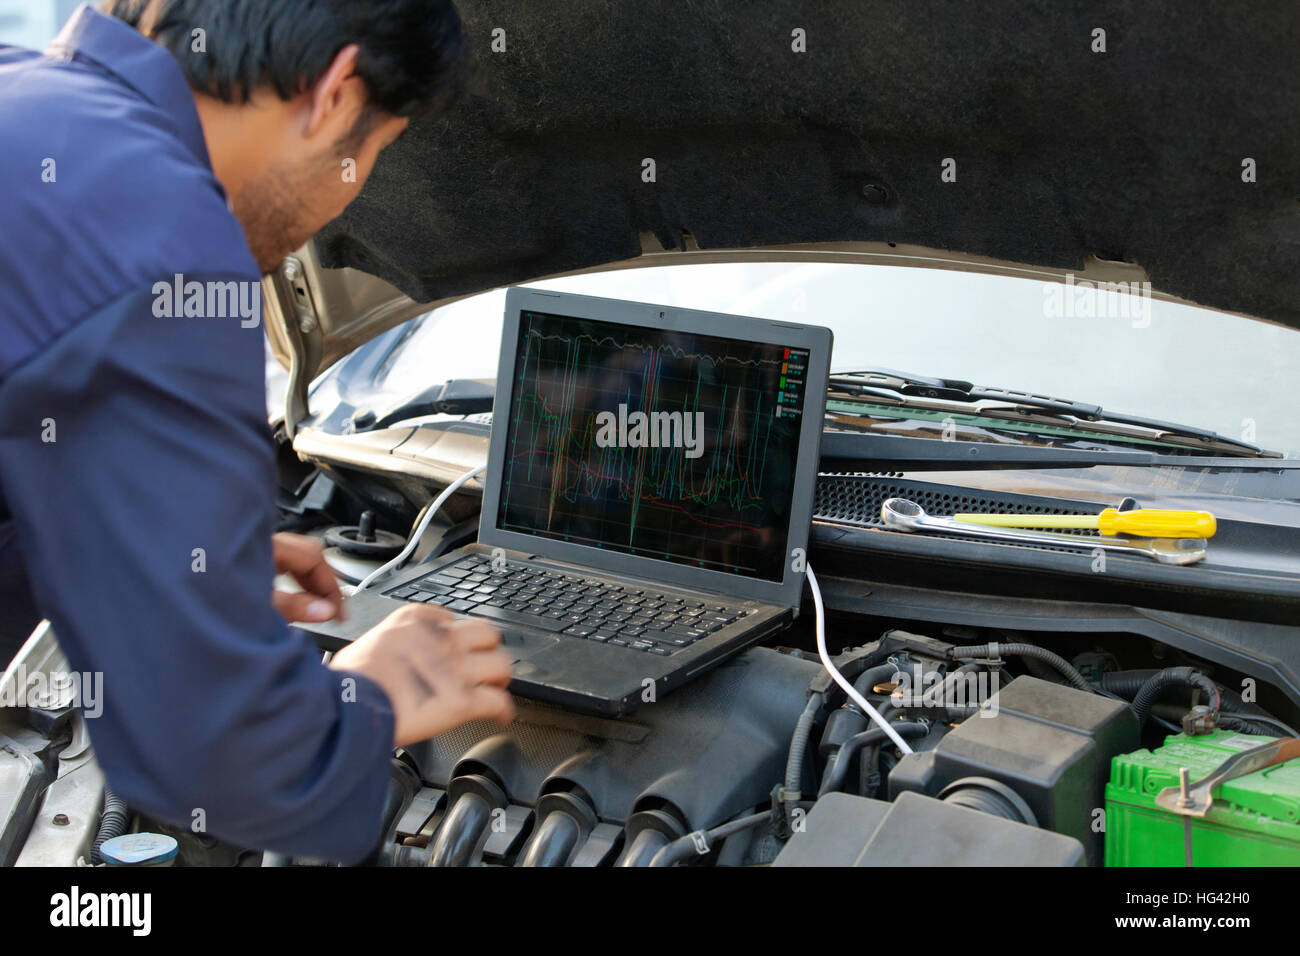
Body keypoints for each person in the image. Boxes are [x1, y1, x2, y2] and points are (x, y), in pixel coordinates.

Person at [0, 0, 513, 864]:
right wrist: (372, 698)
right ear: (337, 95)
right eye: (376, 153)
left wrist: (177, 556)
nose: (357, 188)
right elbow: (216, 755)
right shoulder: (162, 239)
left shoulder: (33, 103)